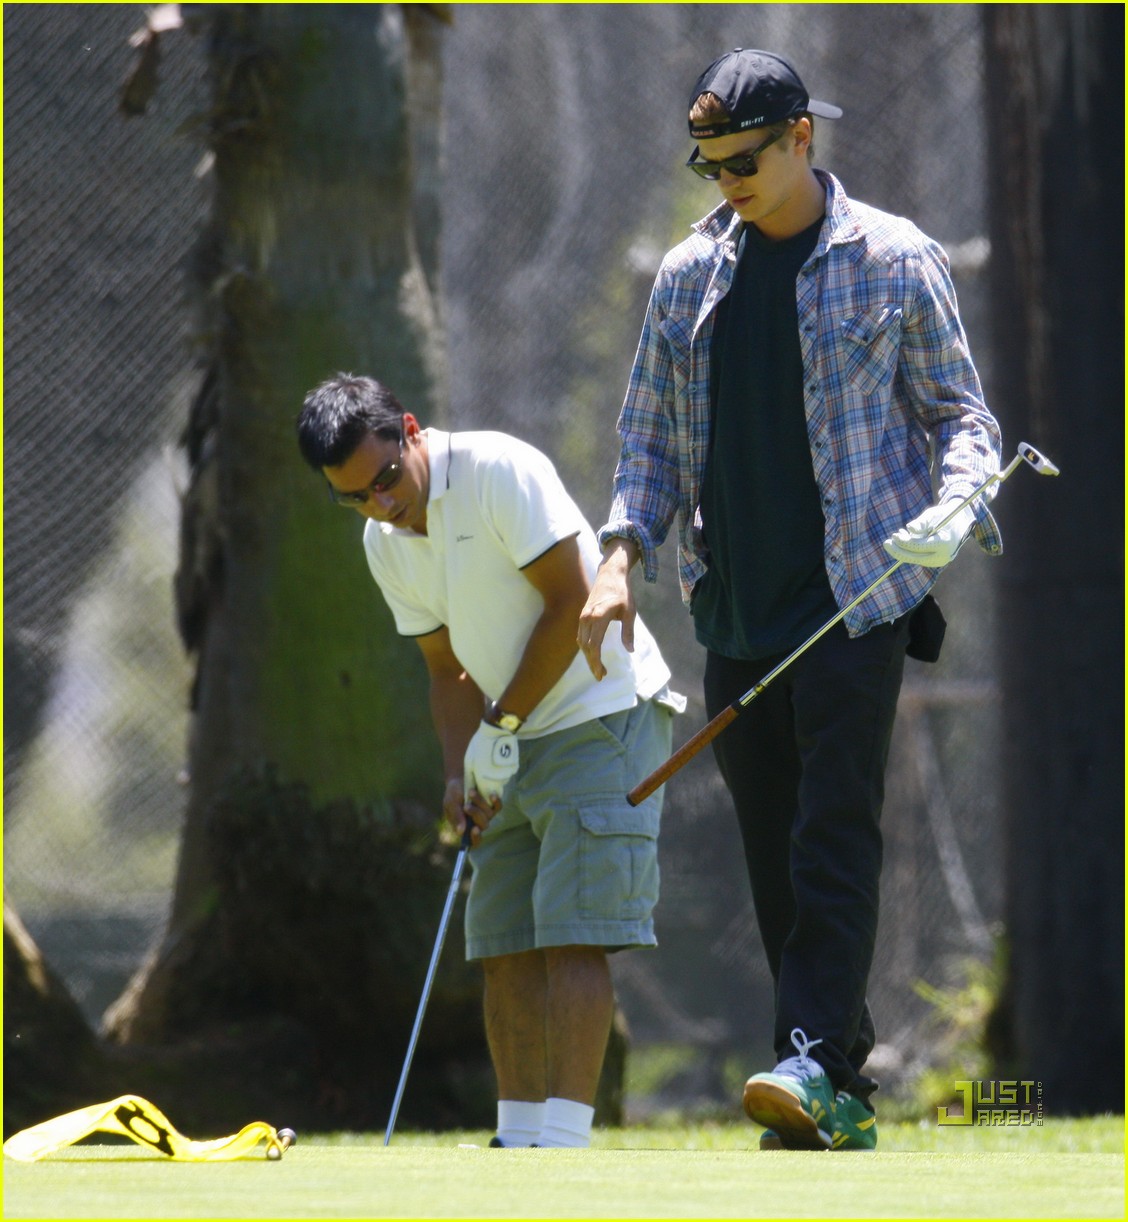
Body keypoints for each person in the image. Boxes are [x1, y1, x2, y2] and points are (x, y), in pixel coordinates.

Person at [577, 48, 1003, 1151]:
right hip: (737, 608)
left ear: (803, 138)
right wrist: (620, 556)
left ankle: (808, 1059)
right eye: (709, 163)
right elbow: (649, 442)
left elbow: (964, 417)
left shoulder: (896, 259)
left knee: (830, 832)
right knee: (774, 848)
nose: (726, 180)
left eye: (746, 159)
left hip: (857, 602)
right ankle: (837, 1074)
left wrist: (955, 507)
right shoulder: (686, 279)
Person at [296, 374, 682, 1149]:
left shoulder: (498, 470)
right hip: (510, 742)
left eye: (386, 480)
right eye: (354, 497)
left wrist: (500, 726)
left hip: (597, 714)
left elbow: (571, 602)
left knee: (572, 932)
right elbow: (445, 670)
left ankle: (565, 1145)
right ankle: (519, 1137)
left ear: (409, 431)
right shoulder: (383, 543)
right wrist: (459, 773)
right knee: (503, 940)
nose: (380, 505)